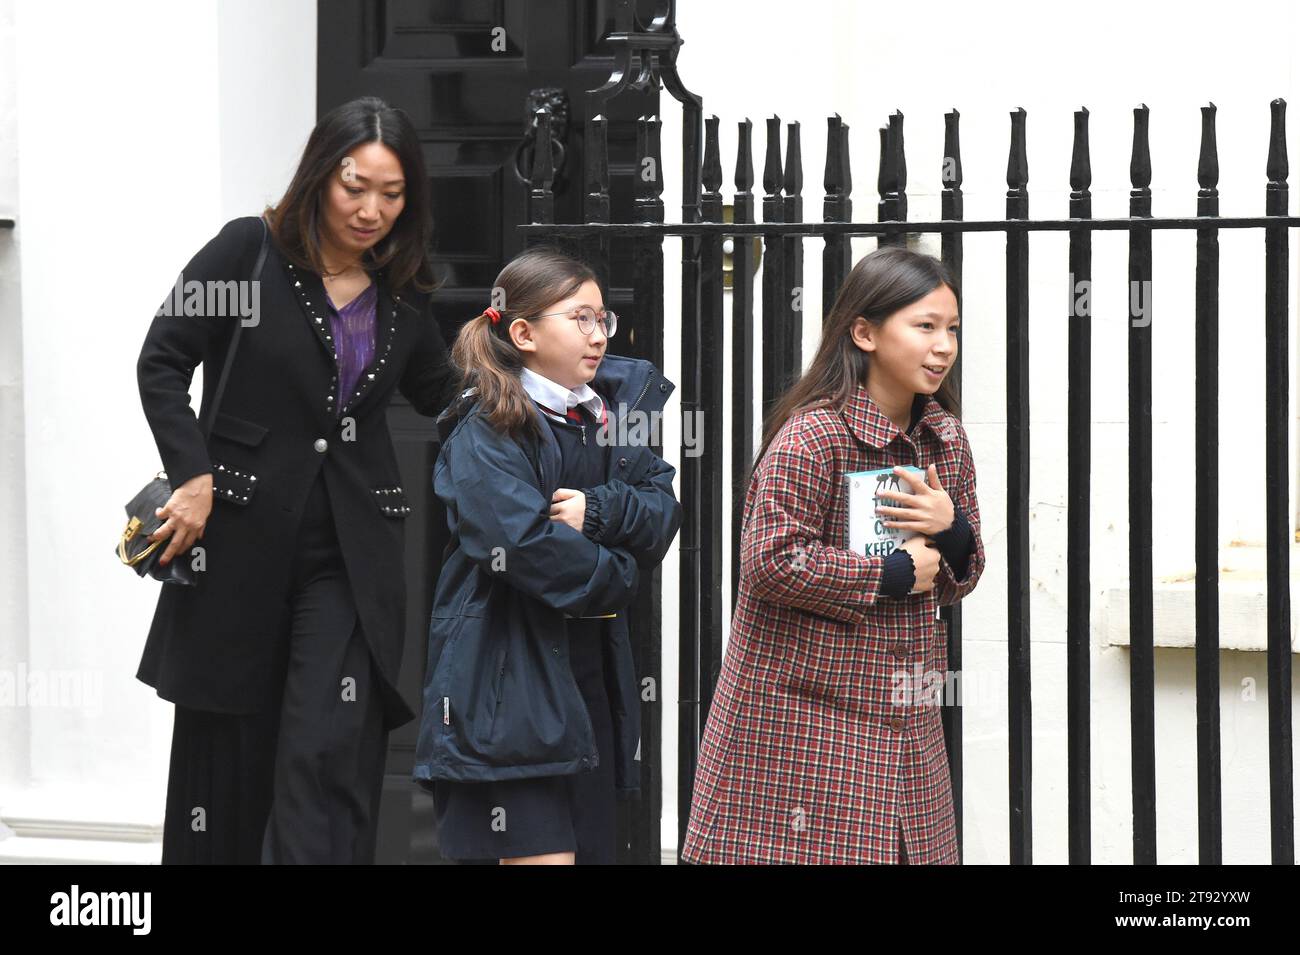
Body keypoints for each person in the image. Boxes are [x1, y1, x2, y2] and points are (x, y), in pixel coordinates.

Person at [135, 96, 460, 864]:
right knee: (229, 757)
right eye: (356, 186)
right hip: (238, 544)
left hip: (351, 556)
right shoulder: (247, 253)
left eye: (393, 193)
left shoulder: (404, 290)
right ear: (321, 174)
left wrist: (532, 402)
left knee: (328, 744)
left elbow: (440, 395)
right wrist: (193, 475)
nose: (372, 209)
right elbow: (162, 359)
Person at [680, 247, 985, 864]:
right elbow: (768, 562)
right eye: (924, 326)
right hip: (801, 713)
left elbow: (963, 573)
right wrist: (890, 573)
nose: (944, 345)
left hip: (905, 711)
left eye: (952, 329)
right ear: (864, 332)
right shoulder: (813, 434)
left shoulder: (943, 436)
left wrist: (951, 531)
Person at [412, 246, 682, 864]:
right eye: (580, 318)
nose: (598, 335)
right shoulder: (484, 428)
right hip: (504, 688)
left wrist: (598, 512)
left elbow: (662, 512)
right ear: (525, 332)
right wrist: (618, 574)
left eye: (603, 319)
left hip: (588, 686)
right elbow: (522, 544)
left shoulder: (614, 418)